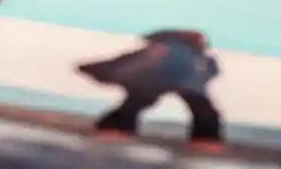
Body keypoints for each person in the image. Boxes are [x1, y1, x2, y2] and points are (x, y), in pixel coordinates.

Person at [78, 29, 224, 150]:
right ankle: (112, 130)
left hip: (162, 79)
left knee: (137, 102)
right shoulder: (180, 53)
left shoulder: (190, 56)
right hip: (163, 79)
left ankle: (112, 130)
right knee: (203, 110)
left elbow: (130, 64)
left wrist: (112, 73)